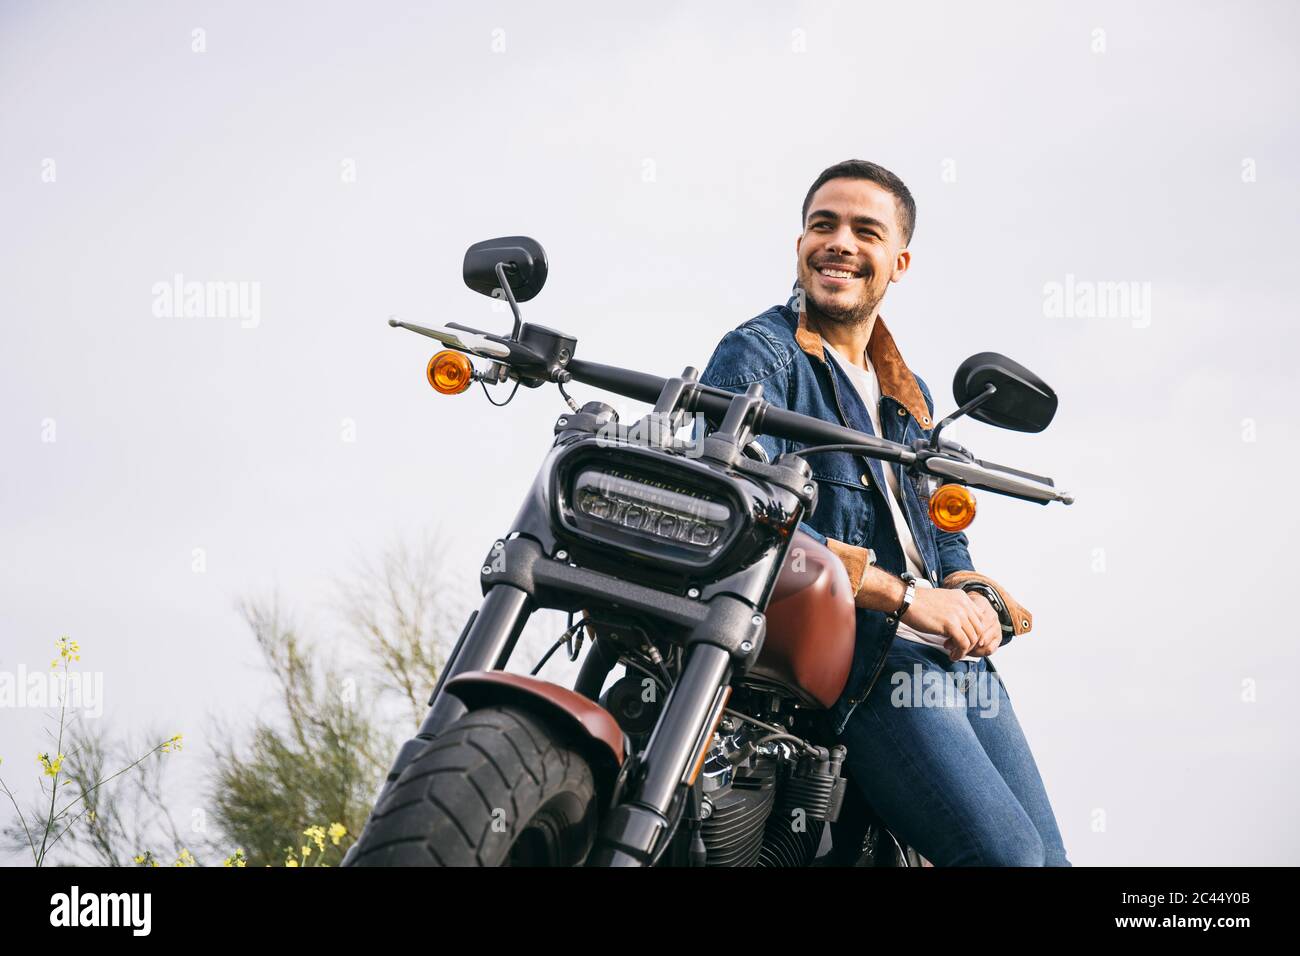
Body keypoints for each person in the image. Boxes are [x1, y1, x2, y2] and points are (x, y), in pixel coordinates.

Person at [699, 159, 1070, 866]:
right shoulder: (763, 353)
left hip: (955, 664)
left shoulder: (909, 391)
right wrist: (904, 599)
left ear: (898, 263)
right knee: (1009, 861)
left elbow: (936, 538)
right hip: (868, 652)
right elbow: (744, 506)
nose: (839, 242)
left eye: (864, 231)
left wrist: (964, 589)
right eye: (822, 225)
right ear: (800, 244)